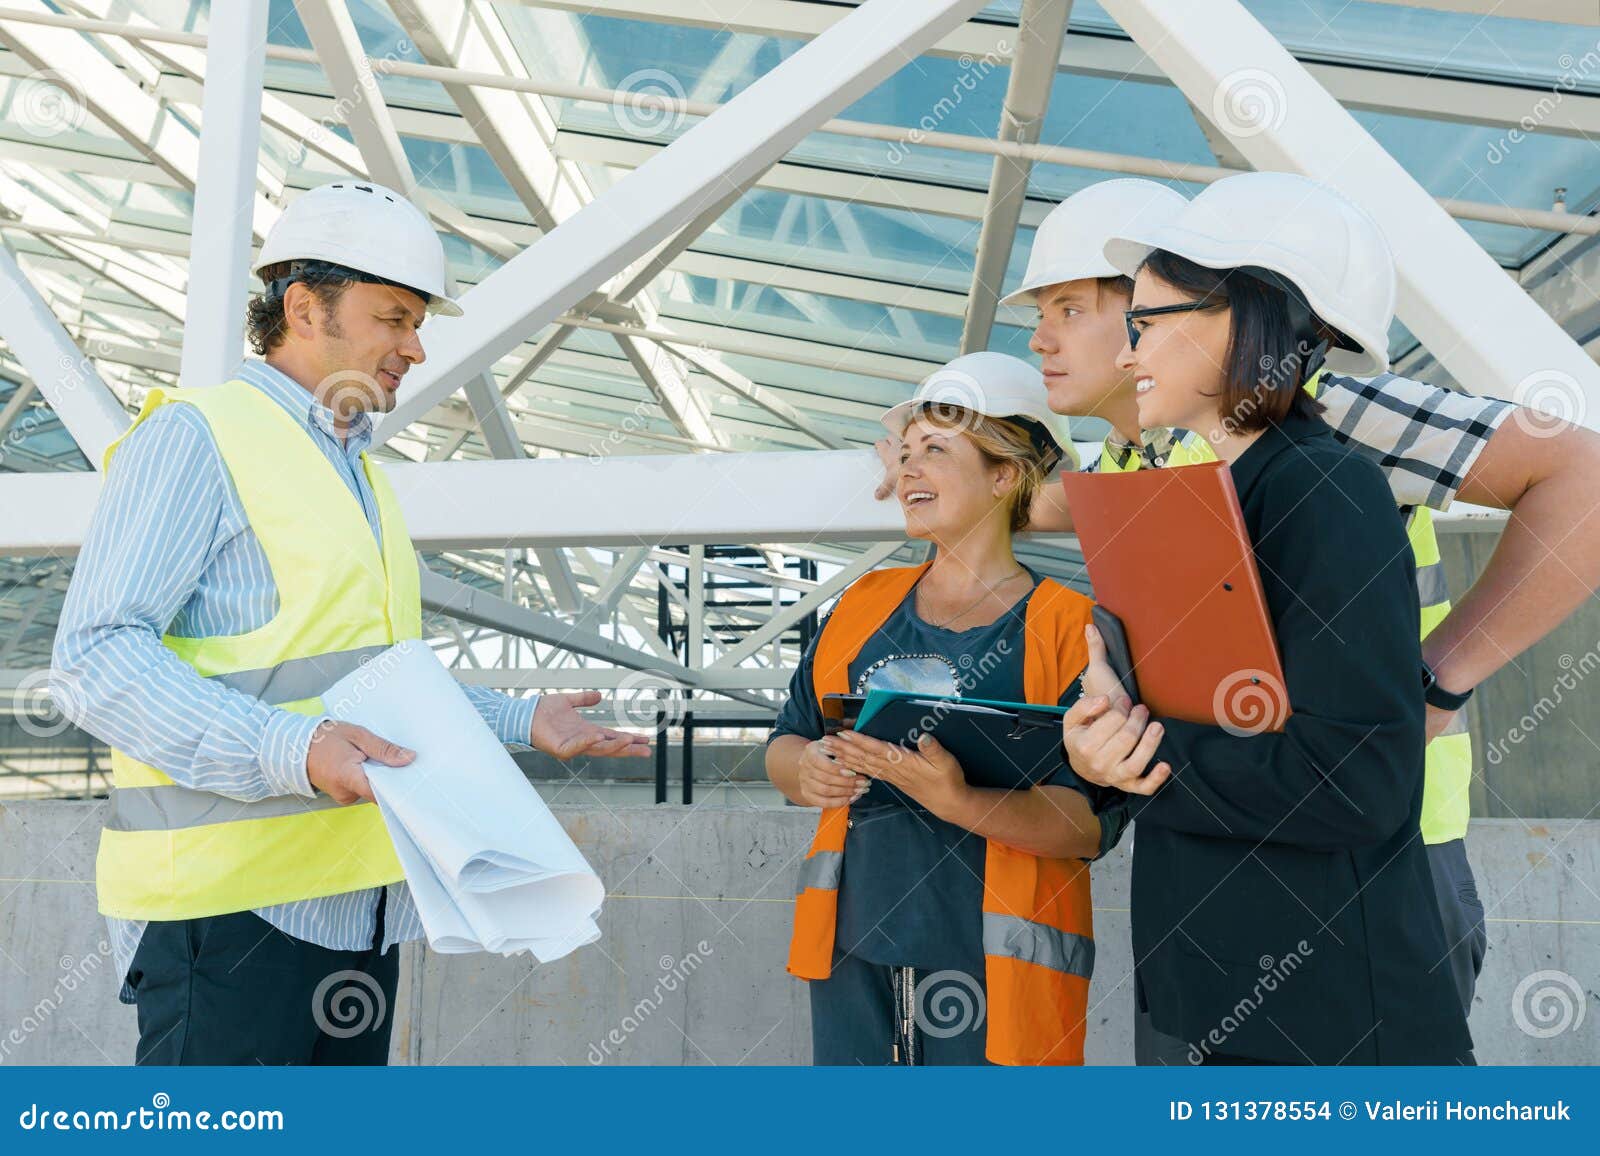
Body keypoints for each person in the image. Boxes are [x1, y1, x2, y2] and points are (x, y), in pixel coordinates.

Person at [877, 173, 1600, 1062]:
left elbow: (1584, 475)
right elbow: (1022, 502)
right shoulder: (1148, 459)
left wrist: (1438, 677)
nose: (1042, 338)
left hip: (1365, 872)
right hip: (1232, 872)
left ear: (1229, 310)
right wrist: (929, 447)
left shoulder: (1337, 421)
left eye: (1075, 309)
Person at [52, 180, 650, 1066]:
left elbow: (370, 686)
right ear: (304, 307)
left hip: (358, 909)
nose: (414, 347)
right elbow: (95, 658)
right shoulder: (197, 437)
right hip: (230, 920)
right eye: (394, 317)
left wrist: (521, 720)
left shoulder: (358, 474)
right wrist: (292, 751)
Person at [1060, 178, 1473, 1065]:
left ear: (1245, 318)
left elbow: (1358, 782)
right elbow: (1174, 715)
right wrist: (1095, 747)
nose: (1129, 354)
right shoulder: (1200, 496)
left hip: (1330, 1026)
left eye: (1148, 323)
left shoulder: (1323, 492)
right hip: (1212, 993)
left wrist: (1148, 753)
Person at [767, 352, 1121, 1066]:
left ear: (1005, 475)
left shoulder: (1071, 627)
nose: (909, 471)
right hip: (853, 952)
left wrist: (959, 801)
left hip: (1001, 967)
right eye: (905, 454)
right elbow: (787, 742)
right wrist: (805, 772)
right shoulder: (862, 603)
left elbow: (1088, 824)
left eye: (935, 450)